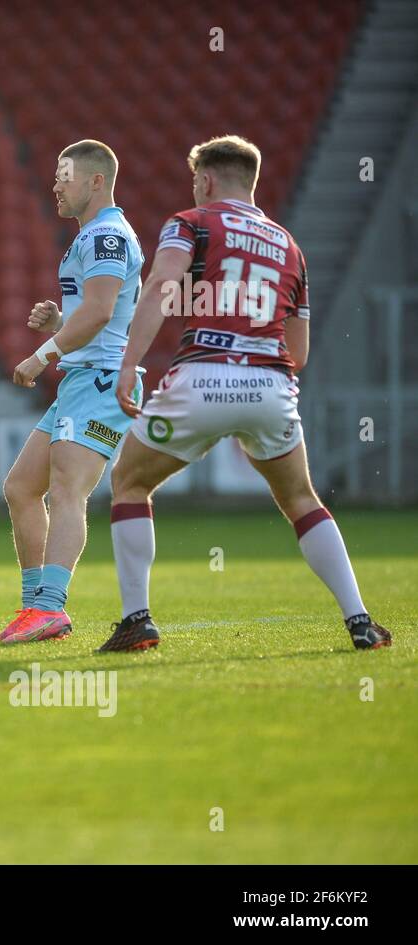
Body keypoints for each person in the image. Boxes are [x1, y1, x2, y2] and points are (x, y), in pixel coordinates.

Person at [100, 135, 390, 653]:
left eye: (196, 182)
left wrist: (129, 365)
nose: (195, 189)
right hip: (270, 384)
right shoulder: (289, 246)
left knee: (128, 481)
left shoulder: (190, 222)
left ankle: (136, 620)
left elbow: (163, 284)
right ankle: (360, 619)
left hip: (202, 377)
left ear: (207, 180)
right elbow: (297, 351)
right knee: (301, 499)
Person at [0, 140, 144, 643]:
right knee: (20, 487)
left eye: (66, 176)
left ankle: (51, 608)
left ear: (96, 182)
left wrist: (44, 354)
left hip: (101, 380)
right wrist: (63, 323)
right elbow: (100, 312)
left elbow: (102, 310)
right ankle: (35, 605)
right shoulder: (91, 237)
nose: (56, 184)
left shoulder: (106, 236)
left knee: (66, 490)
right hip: (84, 377)